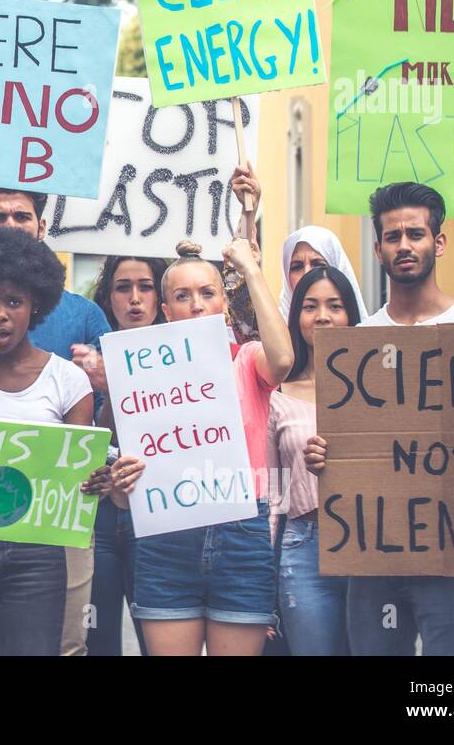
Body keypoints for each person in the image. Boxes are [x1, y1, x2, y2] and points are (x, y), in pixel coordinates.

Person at [304, 182, 454, 656]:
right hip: (375, 561)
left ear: (438, 242)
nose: (404, 246)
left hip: (452, 561)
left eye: (415, 234)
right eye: (392, 237)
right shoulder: (357, 344)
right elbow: (348, 447)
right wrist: (322, 456)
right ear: (378, 249)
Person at [0, 229, 125, 655]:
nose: (0, 314)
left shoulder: (68, 380)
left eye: (14, 302)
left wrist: (99, 476)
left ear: (36, 307)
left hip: (38, 556)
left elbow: (76, 477)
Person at [129, 237, 294, 656]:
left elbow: (284, 359)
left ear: (223, 300)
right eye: (182, 297)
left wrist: (251, 270)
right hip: (167, 533)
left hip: (241, 535)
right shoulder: (141, 374)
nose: (197, 305)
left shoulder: (248, 360)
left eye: (207, 293)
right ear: (165, 311)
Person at [268, 266, 363, 655]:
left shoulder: (382, 390)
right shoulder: (278, 395)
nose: (322, 315)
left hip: (370, 548)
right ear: (296, 317)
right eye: (310, 306)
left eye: (334, 306)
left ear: (350, 316)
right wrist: (262, 581)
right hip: (302, 548)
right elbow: (275, 494)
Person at [83, 255, 167, 657]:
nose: (135, 299)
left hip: (161, 512)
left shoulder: (183, 356)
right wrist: (112, 385)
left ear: (160, 296)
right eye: (123, 287)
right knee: (96, 638)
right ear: (108, 296)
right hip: (99, 515)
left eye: (146, 286)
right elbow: (93, 443)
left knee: (162, 638)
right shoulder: (87, 359)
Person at [277, 225, 369, 321]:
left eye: (318, 265)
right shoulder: (269, 330)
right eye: (297, 267)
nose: (307, 273)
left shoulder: (365, 332)